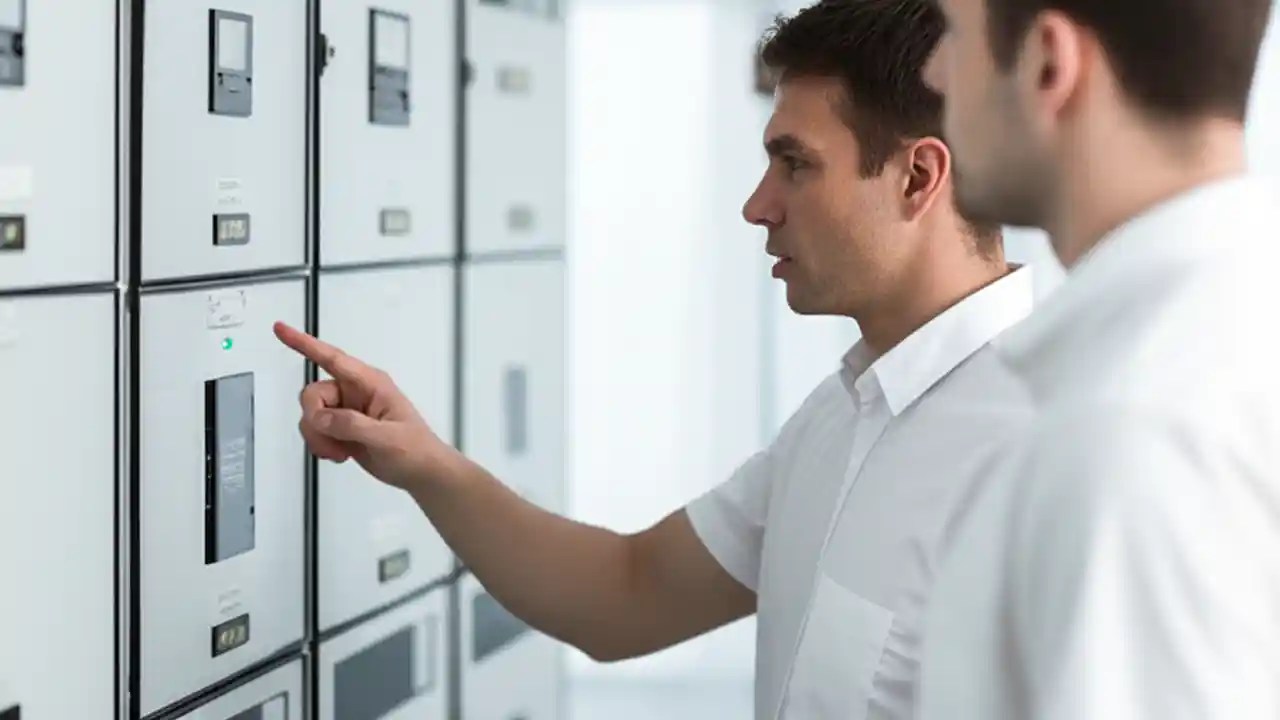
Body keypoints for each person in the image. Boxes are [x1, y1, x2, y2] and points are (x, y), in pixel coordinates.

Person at [277, 1, 1039, 717]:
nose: (757, 204)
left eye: (794, 164)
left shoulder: (1050, 449)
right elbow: (625, 595)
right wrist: (422, 460)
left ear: (917, 177)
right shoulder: (840, 418)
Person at [919, 0, 1280, 718]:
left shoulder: (1134, 431)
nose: (933, 71)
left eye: (952, 33)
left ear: (1050, 63)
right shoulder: (1229, 340)